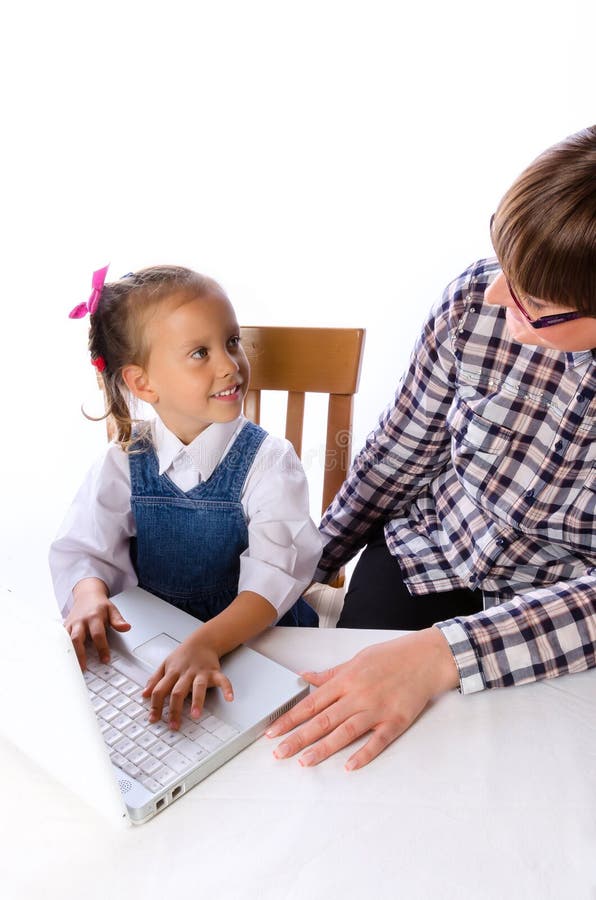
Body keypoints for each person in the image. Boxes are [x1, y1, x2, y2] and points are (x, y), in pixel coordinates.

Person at [266, 125, 596, 770]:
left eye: (534, 302)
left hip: (560, 597)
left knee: (525, 770)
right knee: (344, 745)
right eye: (504, 263)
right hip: (430, 553)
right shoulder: (474, 300)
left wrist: (442, 655)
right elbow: (397, 456)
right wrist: (292, 575)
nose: (496, 295)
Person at [50, 264, 322, 731]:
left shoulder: (270, 462)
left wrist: (208, 643)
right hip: (163, 641)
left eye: (232, 342)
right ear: (142, 383)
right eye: (200, 352)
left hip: (253, 637)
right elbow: (86, 549)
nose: (229, 365)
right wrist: (89, 595)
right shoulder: (124, 462)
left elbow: (274, 580)